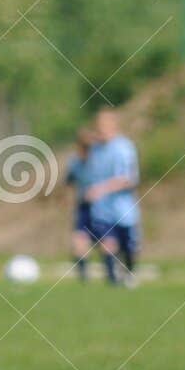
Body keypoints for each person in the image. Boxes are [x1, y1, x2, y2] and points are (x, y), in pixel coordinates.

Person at [84, 109, 141, 287]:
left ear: (113, 126)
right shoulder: (95, 149)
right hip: (102, 209)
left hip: (123, 208)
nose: (100, 129)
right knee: (107, 242)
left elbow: (128, 179)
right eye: (98, 125)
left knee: (129, 248)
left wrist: (102, 189)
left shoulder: (124, 148)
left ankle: (129, 274)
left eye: (103, 125)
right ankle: (112, 282)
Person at [67, 126, 97, 282]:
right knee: (79, 241)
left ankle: (115, 274)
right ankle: (84, 277)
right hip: (84, 207)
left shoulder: (100, 161)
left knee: (109, 242)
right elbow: (69, 182)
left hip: (103, 208)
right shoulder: (75, 163)